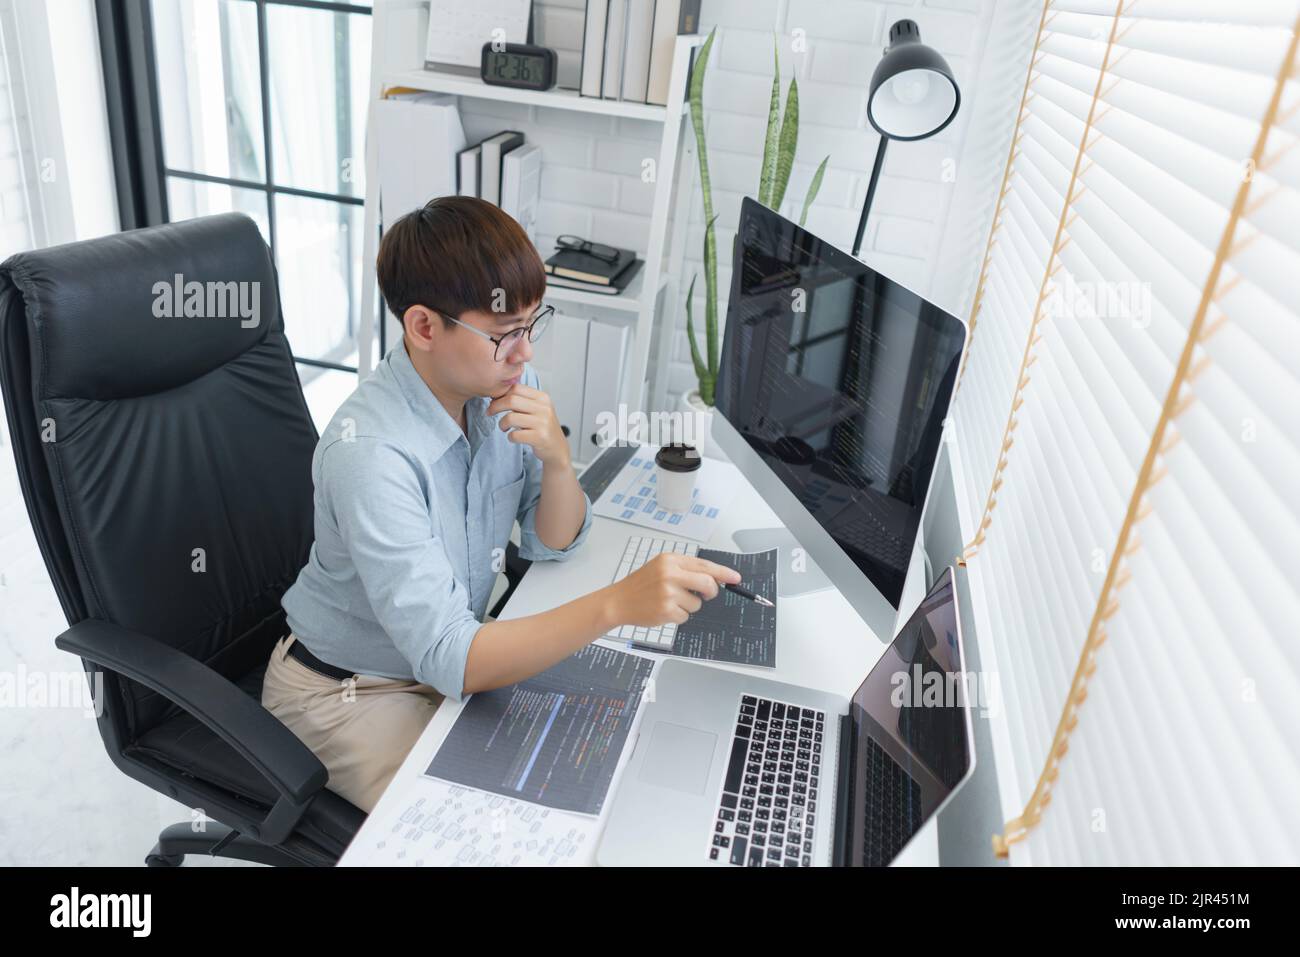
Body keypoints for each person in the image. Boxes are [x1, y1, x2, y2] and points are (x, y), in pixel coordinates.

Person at [261, 196, 740, 812]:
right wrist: (620, 603)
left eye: (532, 325)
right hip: (347, 692)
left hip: (448, 658)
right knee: (494, 819)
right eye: (504, 333)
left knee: (598, 755)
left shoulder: (508, 385)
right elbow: (451, 658)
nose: (526, 353)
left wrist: (558, 460)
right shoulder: (371, 454)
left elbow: (552, 542)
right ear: (424, 327)